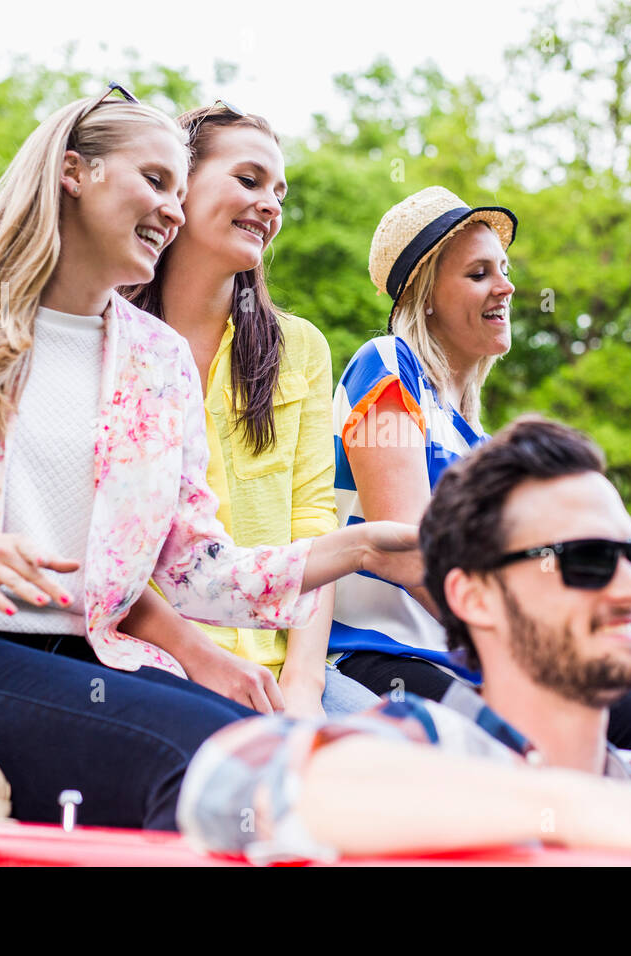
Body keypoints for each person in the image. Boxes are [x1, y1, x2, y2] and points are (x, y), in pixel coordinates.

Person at [0, 86, 417, 831]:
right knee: (214, 763)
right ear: (75, 171)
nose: (172, 210)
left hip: (91, 658)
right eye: (156, 182)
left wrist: (357, 547)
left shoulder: (156, 361)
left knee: (291, 753)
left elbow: (194, 570)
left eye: (178, 189)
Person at [180, 418, 631, 860]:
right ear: (474, 596)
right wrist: (577, 807)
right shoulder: (429, 748)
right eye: (590, 559)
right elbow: (230, 781)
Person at [328, 185, 631, 757]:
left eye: (503, 270)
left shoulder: (478, 440)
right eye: (479, 273)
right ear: (426, 295)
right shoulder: (387, 363)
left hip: (469, 658)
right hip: (390, 659)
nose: (506, 287)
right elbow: (408, 552)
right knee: (525, 751)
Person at [127, 103, 374, 718]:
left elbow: (312, 522)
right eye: (248, 180)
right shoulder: (115, 339)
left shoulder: (302, 349)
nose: (271, 205)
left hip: (280, 665)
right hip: (145, 658)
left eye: (279, 193)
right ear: (179, 187)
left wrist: (304, 687)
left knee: (407, 765)